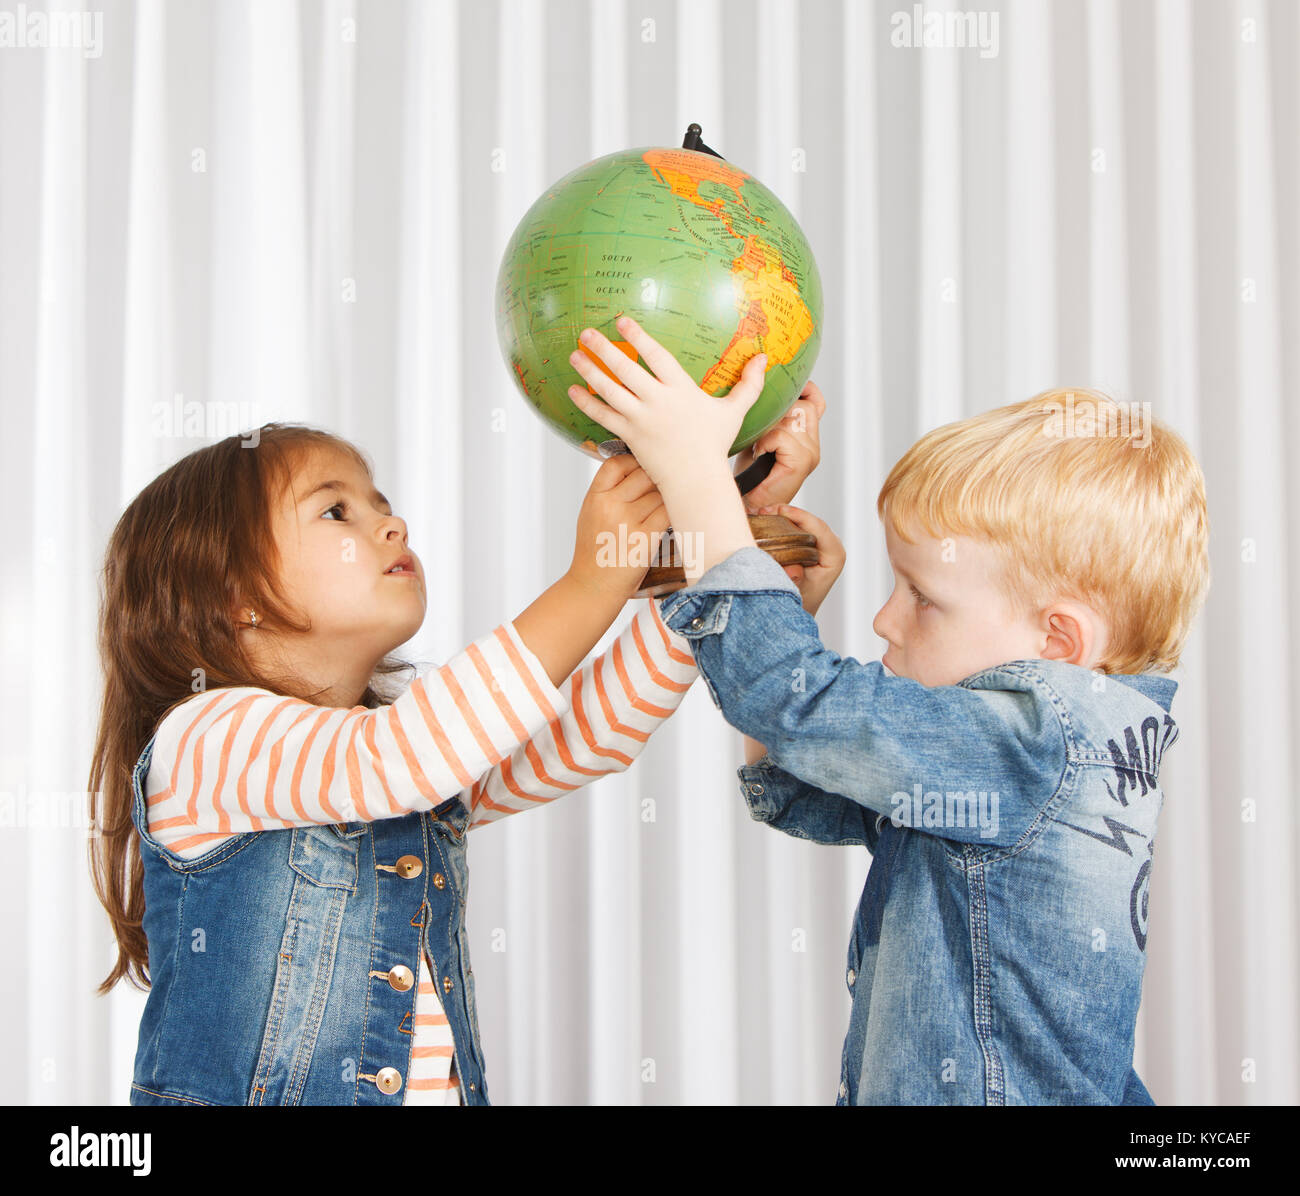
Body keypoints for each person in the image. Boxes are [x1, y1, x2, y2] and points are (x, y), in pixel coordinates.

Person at [567, 316, 1210, 1104]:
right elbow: (805, 786)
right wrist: (784, 633)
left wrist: (697, 475)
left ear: (1057, 640)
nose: (883, 621)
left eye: (924, 599)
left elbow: (798, 708)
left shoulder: (1040, 744)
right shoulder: (1025, 760)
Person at [87, 416, 821, 1105]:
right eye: (335, 511)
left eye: (380, 503)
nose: (392, 523)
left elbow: (589, 731)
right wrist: (592, 581)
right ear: (235, 596)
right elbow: (402, 760)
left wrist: (727, 535)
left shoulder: (412, 748)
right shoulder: (209, 736)